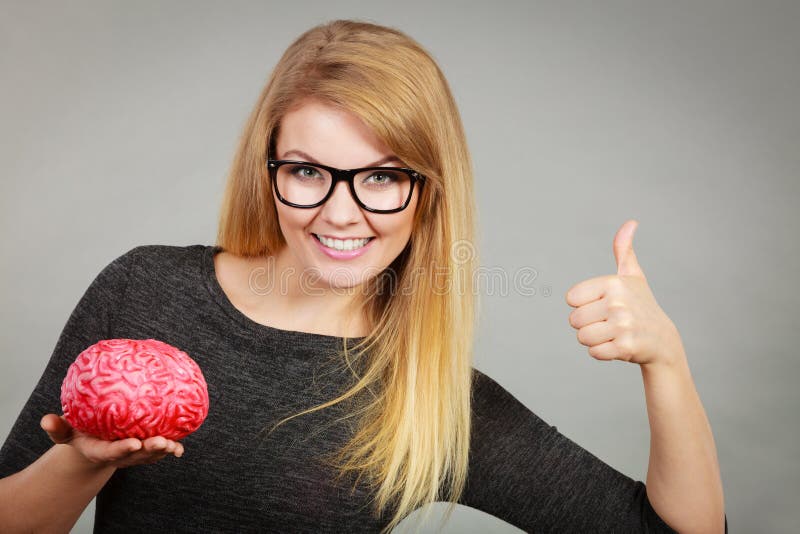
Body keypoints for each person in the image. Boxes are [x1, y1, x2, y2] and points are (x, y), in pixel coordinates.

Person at [0, 19, 726, 533]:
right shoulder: (144, 289)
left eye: (381, 177)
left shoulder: (429, 399)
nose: (341, 213)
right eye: (307, 171)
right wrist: (82, 463)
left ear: (428, 191)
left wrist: (666, 360)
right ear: (268, 170)